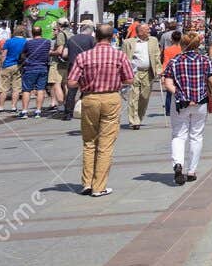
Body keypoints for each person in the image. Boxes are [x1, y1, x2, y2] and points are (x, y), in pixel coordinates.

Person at [67, 23, 133, 197]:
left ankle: (86, 183)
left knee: (89, 143)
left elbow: (71, 82)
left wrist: (85, 83)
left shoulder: (83, 57)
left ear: (95, 36)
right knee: (105, 144)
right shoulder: (119, 56)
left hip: (89, 98)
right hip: (111, 98)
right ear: (112, 37)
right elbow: (129, 80)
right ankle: (99, 186)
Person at [163, 30, 212, 186]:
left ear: (183, 45)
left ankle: (178, 164)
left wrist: (178, 94)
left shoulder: (175, 61)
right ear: (198, 45)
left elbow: (168, 83)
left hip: (181, 103)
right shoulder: (205, 60)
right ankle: (191, 171)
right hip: (200, 103)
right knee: (196, 136)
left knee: (179, 135)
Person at [121, 22, 158, 129]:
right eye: (147, 30)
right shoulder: (128, 42)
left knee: (144, 97)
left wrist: (159, 69)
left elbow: (156, 56)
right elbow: (123, 58)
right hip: (134, 73)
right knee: (133, 97)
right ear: (140, 32)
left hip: (148, 73)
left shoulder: (153, 41)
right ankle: (134, 121)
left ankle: (139, 117)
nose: (150, 31)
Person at [60, 16, 97, 119]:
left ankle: (68, 113)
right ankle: (85, 110)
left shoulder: (72, 39)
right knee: (87, 90)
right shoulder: (92, 40)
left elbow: (64, 54)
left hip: (73, 66)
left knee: (72, 90)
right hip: (87, 68)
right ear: (91, 30)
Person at [19, 25, 52, 118]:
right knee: (40, 89)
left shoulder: (28, 43)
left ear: (32, 33)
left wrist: (25, 59)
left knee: (26, 90)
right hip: (43, 67)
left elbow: (22, 54)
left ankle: (24, 111)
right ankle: (38, 111)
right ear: (41, 32)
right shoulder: (47, 42)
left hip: (30, 68)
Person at [0, 26, 27, 115]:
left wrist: (2, 64)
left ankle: (1, 107)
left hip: (7, 65)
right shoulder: (25, 42)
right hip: (18, 66)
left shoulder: (9, 41)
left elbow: (4, 54)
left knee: (3, 88)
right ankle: (14, 107)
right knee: (16, 88)